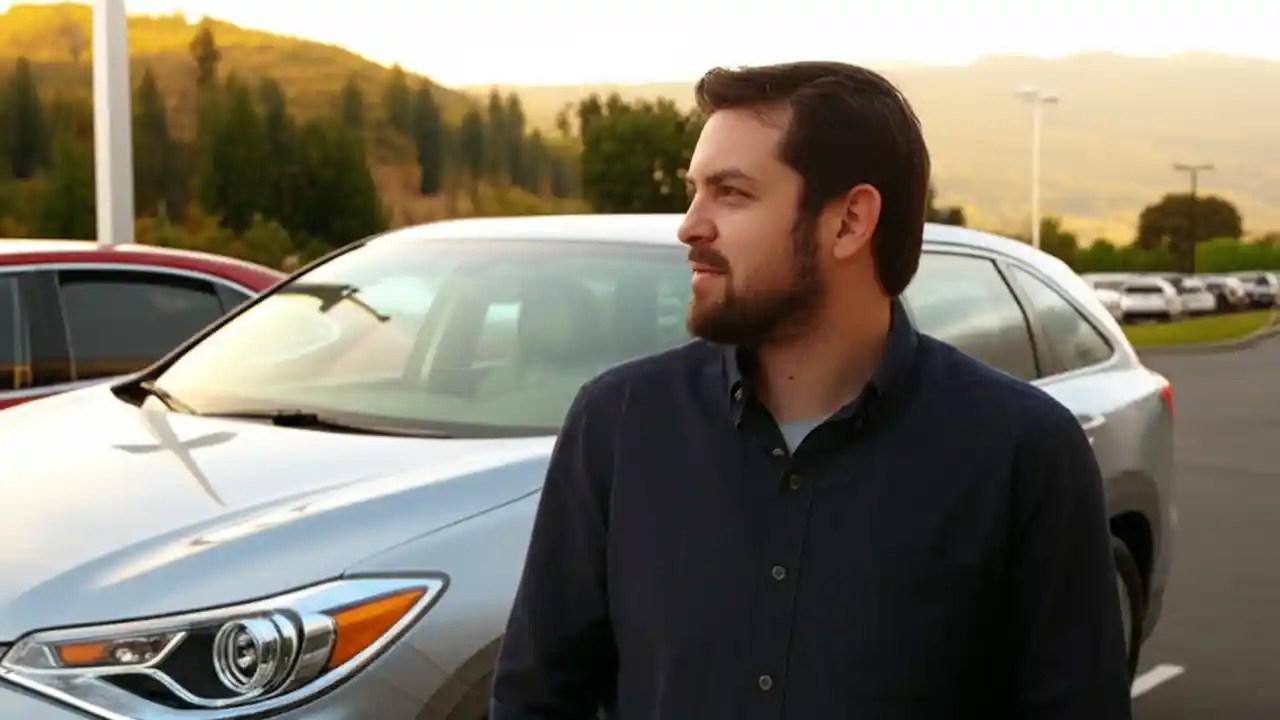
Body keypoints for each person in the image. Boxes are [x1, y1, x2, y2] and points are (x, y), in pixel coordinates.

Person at [490, 61, 1132, 719]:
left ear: (850, 222)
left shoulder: (1023, 454)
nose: (689, 225)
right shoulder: (619, 425)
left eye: (731, 193)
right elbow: (537, 699)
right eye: (694, 191)